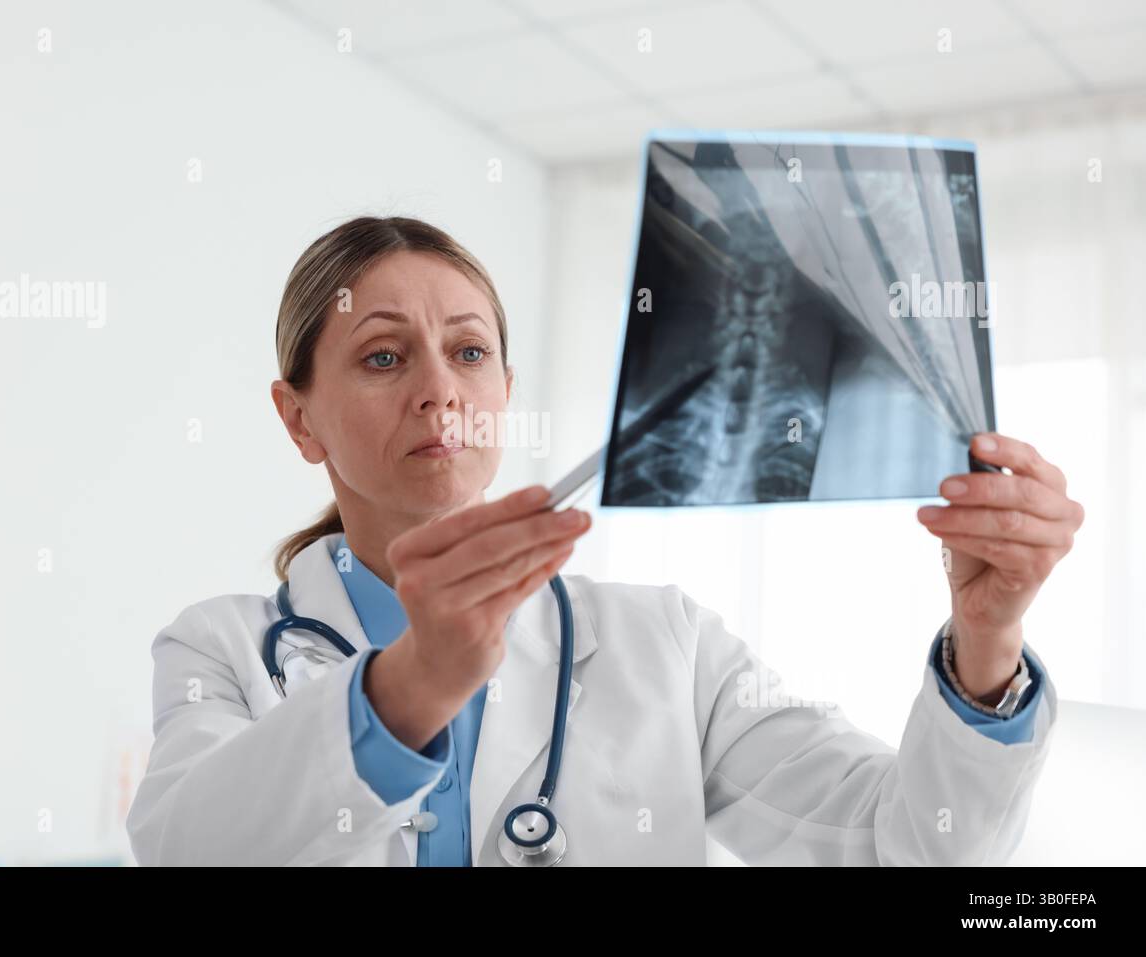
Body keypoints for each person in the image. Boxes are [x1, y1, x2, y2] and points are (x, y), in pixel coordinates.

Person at [125, 216, 1084, 866]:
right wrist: (414, 681)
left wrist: (987, 641)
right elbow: (188, 846)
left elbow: (906, 846)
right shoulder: (220, 648)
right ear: (299, 420)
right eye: (384, 355)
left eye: (468, 352)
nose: (440, 391)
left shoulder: (666, 646)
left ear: (504, 389)